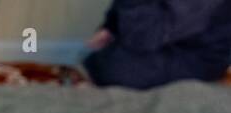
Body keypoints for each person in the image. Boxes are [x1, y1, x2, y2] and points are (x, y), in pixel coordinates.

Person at [86, 0, 231, 89]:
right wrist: (111, 25)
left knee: (111, 67)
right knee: (104, 58)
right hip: (164, 35)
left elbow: (145, 36)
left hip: (197, 56)